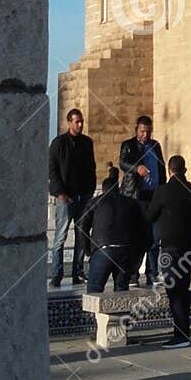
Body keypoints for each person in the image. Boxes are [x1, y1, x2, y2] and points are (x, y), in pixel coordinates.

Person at [146, 155, 191, 348]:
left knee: (174, 291)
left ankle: (181, 335)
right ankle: (183, 331)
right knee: (184, 288)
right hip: (188, 247)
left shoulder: (162, 191)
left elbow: (150, 216)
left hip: (169, 248)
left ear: (169, 171)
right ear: (185, 170)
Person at [48, 108, 97, 288]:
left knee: (81, 234)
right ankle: (57, 274)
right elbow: (53, 170)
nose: (80, 125)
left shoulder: (87, 143)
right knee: (60, 236)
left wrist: (90, 191)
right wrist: (60, 193)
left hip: (83, 196)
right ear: (69, 123)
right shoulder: (58, 143)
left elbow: (91, 167)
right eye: (77, 122)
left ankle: (78, 272)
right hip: (65, 197)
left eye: (81, 121)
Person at [118, 115, 164, 285]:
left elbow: (161, 167)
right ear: (136, 130)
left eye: (148, 132)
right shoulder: (128, 145)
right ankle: (133, 274)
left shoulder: (155, 145)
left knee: (154, 237)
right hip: (136, 196)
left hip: (154, 196)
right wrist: (136, 168)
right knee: (135, 236)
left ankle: (152, 273)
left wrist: (163, 189)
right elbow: (122, 163)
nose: (146, 135)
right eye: (143, 131)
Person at [85, 174, 145, 294]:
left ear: (103, 190)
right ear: (118, 188)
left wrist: (88, 249)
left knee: (94, 291)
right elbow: (143, 228)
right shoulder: (131, 203)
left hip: (102, 249)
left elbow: (82, 226)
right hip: (126, 251)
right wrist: (138, 253)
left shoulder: (94, 203)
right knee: (121, 291)